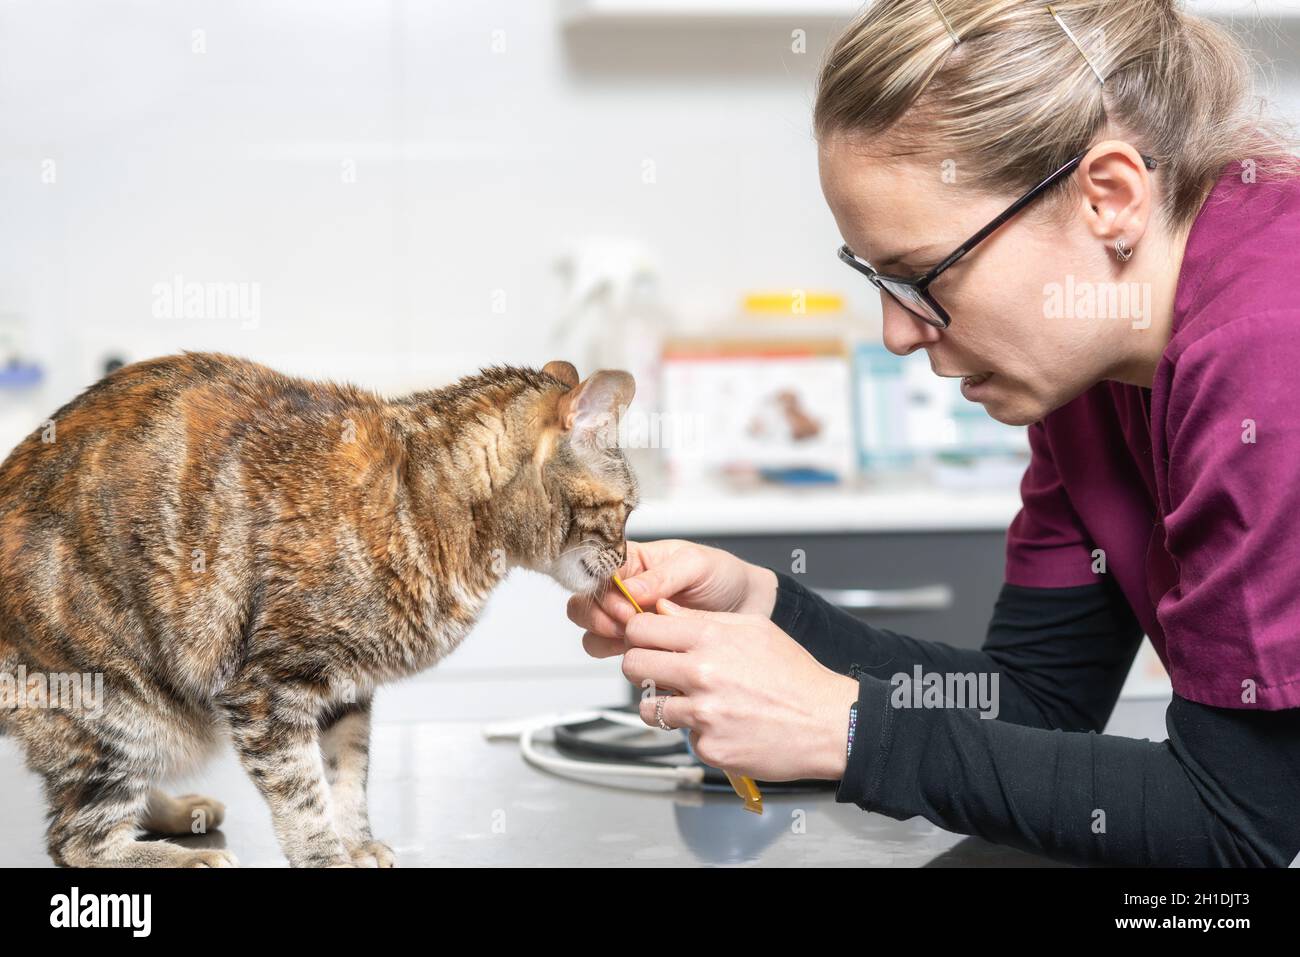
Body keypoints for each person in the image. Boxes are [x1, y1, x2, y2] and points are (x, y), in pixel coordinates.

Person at [568, 0, 1300, 867]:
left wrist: (842, 731)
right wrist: (771, 610)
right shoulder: (1086, 370)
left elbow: (1234, 822)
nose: (898, 332)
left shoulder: (1268, 343)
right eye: (877, 279)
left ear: (1108, 197)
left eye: (923, 275)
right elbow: (1035, 699)